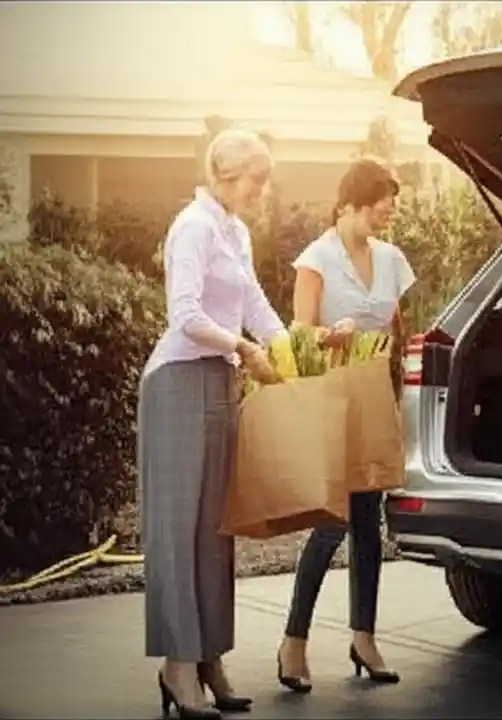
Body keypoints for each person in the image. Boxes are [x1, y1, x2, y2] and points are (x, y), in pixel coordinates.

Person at [139, 127, 291, 719]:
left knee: (214, 528)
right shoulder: (193, 226)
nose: (263, 189)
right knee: (178, 529)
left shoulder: (236, 232)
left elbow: (254, 302)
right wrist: (244, 348)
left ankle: (210, 658)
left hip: (220, 379)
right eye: (258, 178)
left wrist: (290, 348)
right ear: (227, 175)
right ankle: (178, 666)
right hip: (179, 382)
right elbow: (185, 316)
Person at [276, 158, 417, 692]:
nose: (389, 213)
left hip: (376, 394)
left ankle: (364, 637)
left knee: (366, 522)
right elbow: (298, 331)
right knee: (332, 520)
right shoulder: (316, 259)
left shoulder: (390, 258)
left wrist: (403, 389)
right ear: (355, 202)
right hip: (334, 393)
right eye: (383, 204)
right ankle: (294, 642)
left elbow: (398, 327)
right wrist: (326, 335)